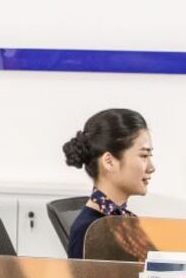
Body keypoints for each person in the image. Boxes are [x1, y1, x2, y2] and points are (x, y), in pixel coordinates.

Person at [61, 107, 155, 260]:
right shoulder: (90, 231)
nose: (151, 167)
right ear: (109, 162)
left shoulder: (122, 222)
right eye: (144, 155)